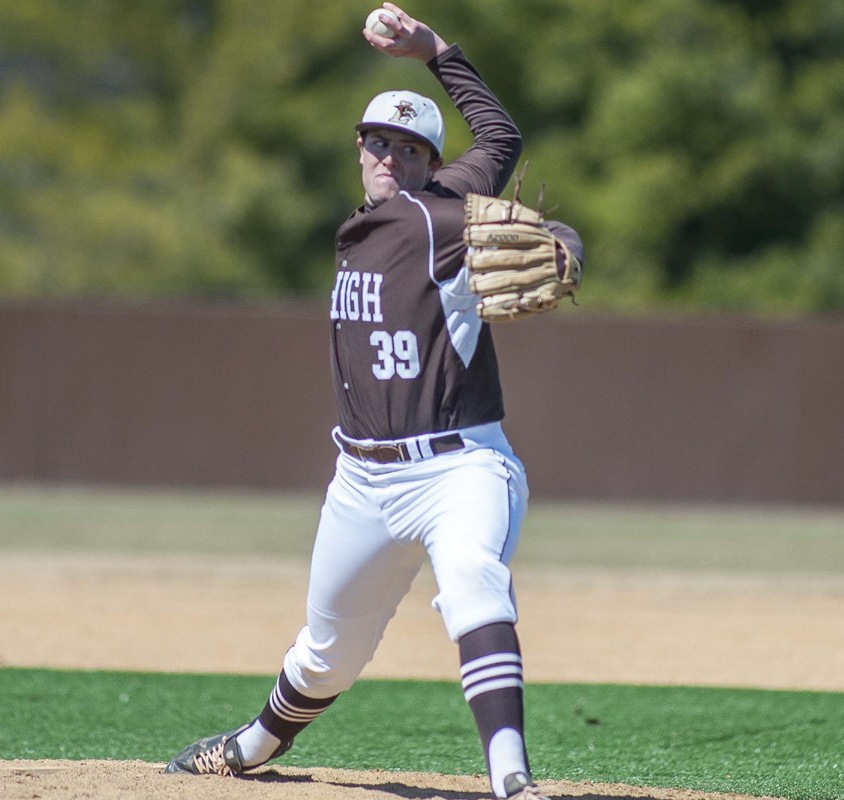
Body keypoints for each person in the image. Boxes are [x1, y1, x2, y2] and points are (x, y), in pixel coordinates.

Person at [165, 6, 581, 800]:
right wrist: (430, 50)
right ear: (360, 151)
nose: (390, 154)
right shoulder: (373, 220)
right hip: (361, 481)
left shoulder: (444, 215)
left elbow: (519, 174)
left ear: (428, 161)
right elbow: (497, 144)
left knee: (470, 580)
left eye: (409, 146)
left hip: (460, 468)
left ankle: (512, 779)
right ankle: (249, 748)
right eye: (378, 142)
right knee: (327, 652)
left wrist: (566, 242)